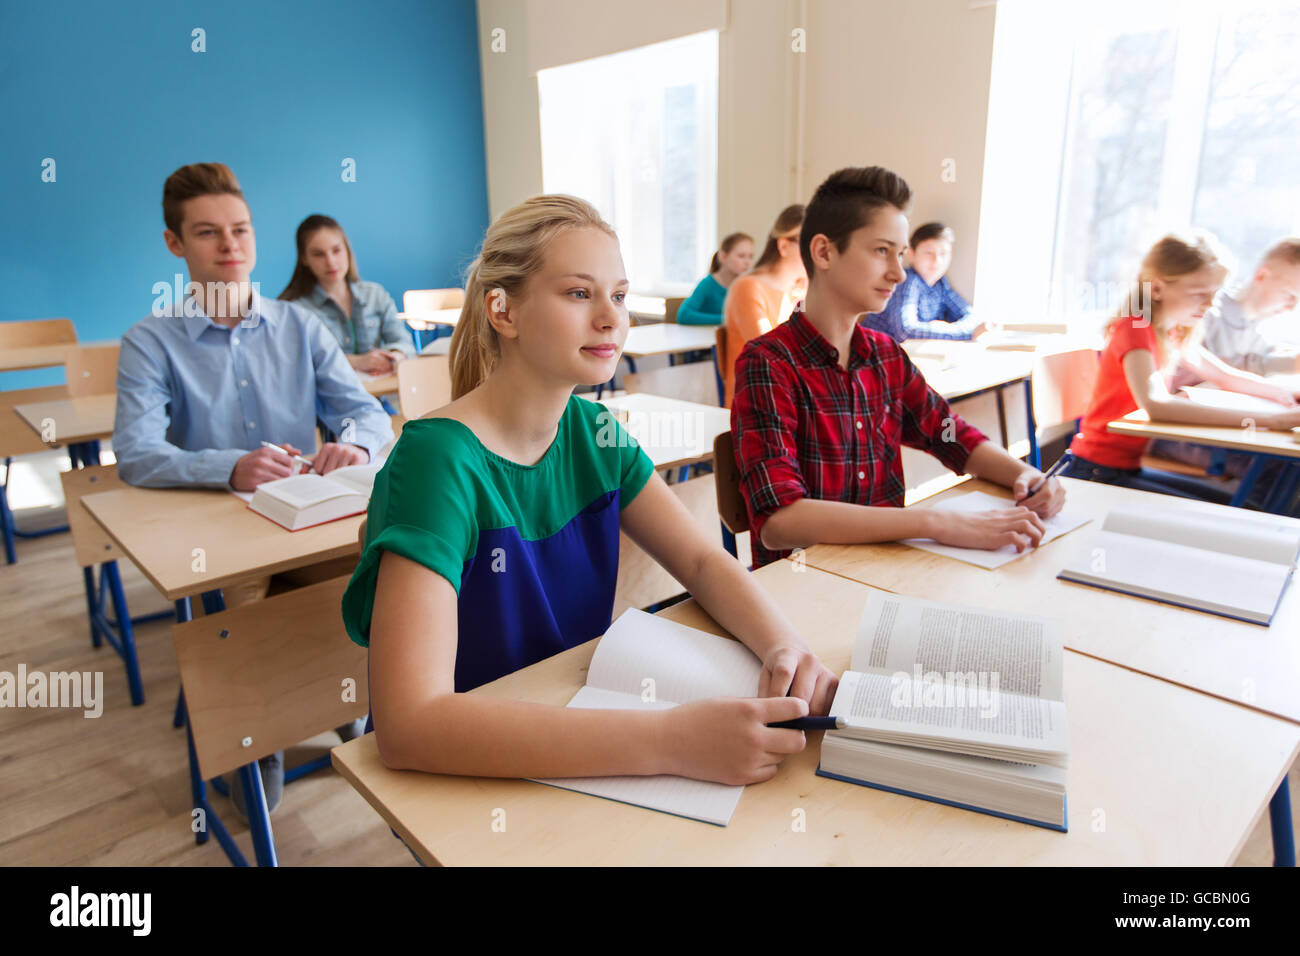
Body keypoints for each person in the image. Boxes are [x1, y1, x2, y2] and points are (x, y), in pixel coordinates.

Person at [341, 195, 838, 788]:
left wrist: (783, 644)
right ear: (503, 312)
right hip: (470, 774)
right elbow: (410, 725)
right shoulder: (435, 460)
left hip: (577, 725)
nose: (611, 318)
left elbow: (704, 561)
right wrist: (671, 740)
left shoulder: (595, 431)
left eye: (620, 295)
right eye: (580, 293)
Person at [113, 162, 394, 814]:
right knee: (245, 612)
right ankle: (258, 742)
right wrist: (228, 465)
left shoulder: (299, 327)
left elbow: (368, 413)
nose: (230, 246)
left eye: (240, 229)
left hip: (309, 516)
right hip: (221, 537)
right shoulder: (149, 343)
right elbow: (135, 455)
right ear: (175, 245)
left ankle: (349, 695)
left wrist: (353, 440)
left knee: (391, 564)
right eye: (208, 233)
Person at [730, 166, 1067, 569]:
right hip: (806, 589)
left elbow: (950, 434)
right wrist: (932, 522)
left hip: (888, 572)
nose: (899, 272)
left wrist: (1024, 474)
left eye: (900, 253)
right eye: (881, 251)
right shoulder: (768, 363)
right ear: (823, 252)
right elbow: (780, 522)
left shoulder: (884, 355)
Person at [1064, 230, 1300, 501]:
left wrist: (1280, 398)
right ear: (1157, 288)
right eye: (1200, 293)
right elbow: (1157, 405)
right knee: (1233, 509)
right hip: (1097, 472)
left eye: (1214, 294)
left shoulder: (1171, 332)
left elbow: (1226, 376)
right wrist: (1273, 421)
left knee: (1235, 506)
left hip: (1125, 468)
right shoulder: (1135, 327)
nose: (1210, 305)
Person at [278, 214, 413, 375]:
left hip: (380, 395)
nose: (331, 262)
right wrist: (358, 362)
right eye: (318, 254)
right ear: (304, 259)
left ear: (347, 250)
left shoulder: (375, 294)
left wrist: (394, 357)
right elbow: (298, 362)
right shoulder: (294, 309)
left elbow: (403, 342)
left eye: (336, 250)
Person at [721, 205, 806, 406]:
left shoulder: (802, 290)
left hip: (791, 399)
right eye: (808, 242)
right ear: (784, 246)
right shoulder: (748, 287)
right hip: (757, 403)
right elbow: (773, 355)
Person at [861, 222, 986, 342]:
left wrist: (949, 328)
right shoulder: (908, 281)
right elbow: (906, 330)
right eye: (928, 253)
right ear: (911, 254)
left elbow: (970, 315)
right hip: (876, 352)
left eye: (943, 253)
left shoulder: (941, 283)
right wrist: (964, 333)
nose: (936, 261)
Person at [675, 232, 754, 325]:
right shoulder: (707, 284)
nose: (747, 262)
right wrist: (727, 320)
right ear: (723, 257)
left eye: (751, 257)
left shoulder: (746, 286)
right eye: (741, 256)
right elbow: (684, 315)